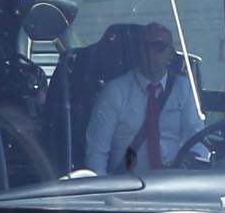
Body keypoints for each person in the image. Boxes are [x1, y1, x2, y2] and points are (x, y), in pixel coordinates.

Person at [83, 23, 204, 175]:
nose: (151, 53)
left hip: (173, 182)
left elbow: (196, 136)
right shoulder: (114, 91)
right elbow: (96, 152)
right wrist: (101, 188)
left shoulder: (184, 88)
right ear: (138, 51)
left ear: (170, 54)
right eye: (145, 46)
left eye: (158, 47)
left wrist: (195, 167)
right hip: (127, 184)